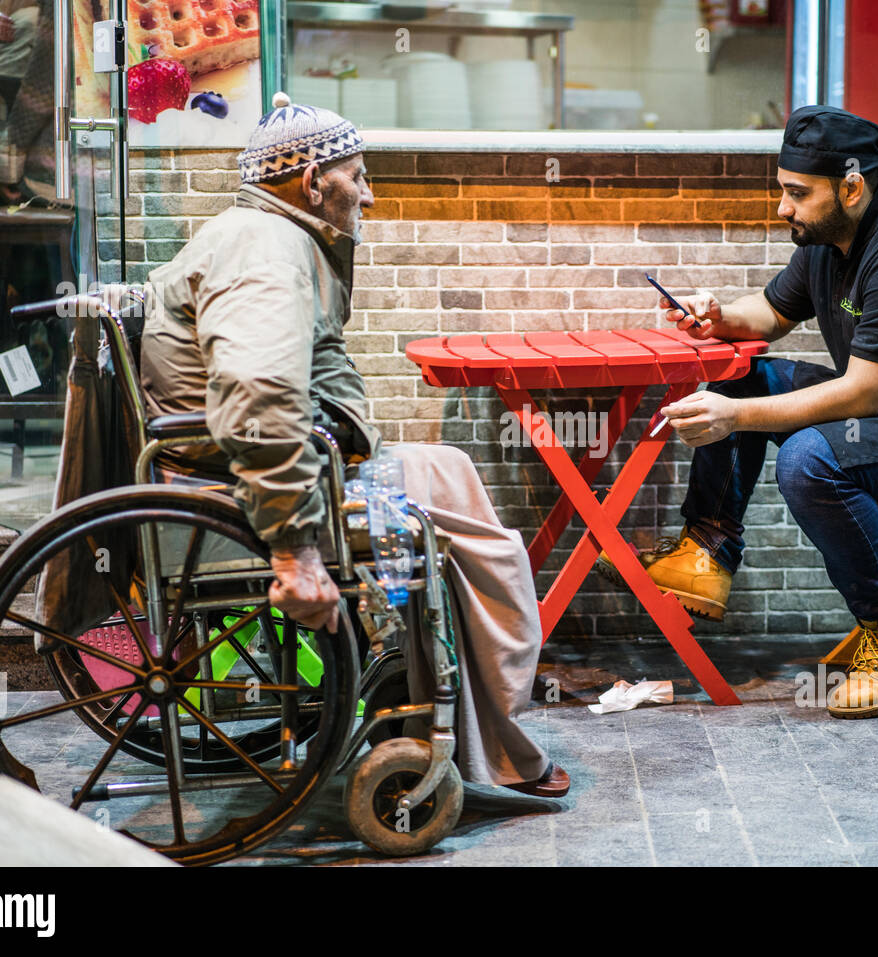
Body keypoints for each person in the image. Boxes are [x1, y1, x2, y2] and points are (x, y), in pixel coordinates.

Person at [139, 93, 569, 796]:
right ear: (313, 183)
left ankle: (462, 719)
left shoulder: (275, 235)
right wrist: (294, 549)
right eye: (359, 176)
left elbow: (313, 373)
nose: (368, 193)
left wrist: (356, 441)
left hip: (268, 465)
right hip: (238, 488)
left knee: (452, 467)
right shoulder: (266, 247)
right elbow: (256, 394)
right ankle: (484, 739)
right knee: (484, 545)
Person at [597, 105, 878, 719]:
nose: (783, 208)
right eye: (782, 190)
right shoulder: (829, 240)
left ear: (852, 187)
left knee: (809, 461)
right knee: (740, 371)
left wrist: (734, 419)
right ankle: (707, 551)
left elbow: (861, 395)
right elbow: (772, 315)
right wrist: (716, 316)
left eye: (797, 194)